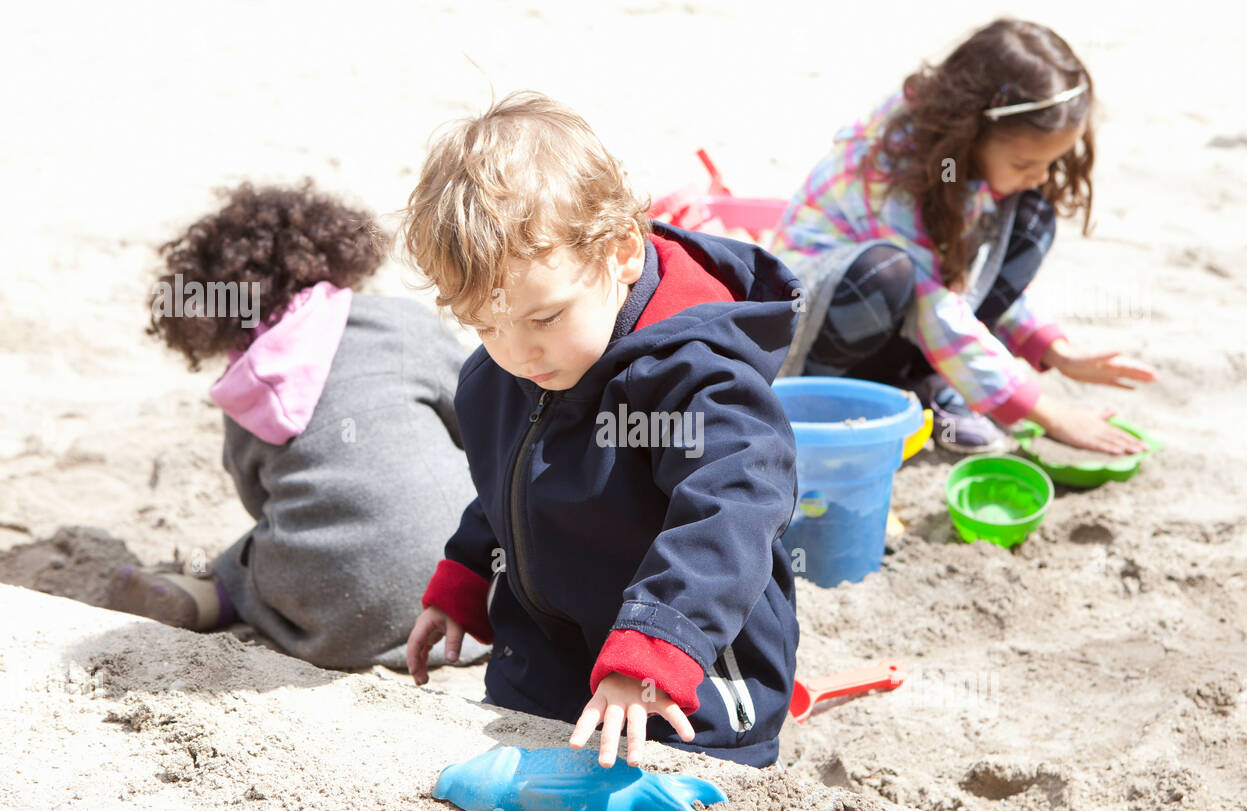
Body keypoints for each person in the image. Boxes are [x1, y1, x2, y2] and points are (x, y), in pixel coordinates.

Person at [401, 92, 801, 768]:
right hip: (549, 662)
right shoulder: (507, 371)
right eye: (486, 325)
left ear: (621, 253)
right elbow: (517, 474)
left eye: (545, 317)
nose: (518, 352)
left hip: (686, 676)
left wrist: (655, 649)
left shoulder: (697, 378)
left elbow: (733, 509)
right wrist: (468, 571)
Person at [108, 181, 483, 670]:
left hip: (329, 625)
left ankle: (210, 594)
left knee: (262, 550)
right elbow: (476, 421)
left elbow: (258, 501)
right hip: (467, 604)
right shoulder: (400, 324)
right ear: (334, 251)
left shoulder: (243, 387)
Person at [772, 18, 1157, 454]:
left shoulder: (962, 162)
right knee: (887, 272)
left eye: (1052, 161)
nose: (1041, 176)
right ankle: (823, 405)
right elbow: (934, 306)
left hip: (907, 323)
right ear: (971, 133)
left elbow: (969, 274)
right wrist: (1051, 414)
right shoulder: (887, 164)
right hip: (816, 327)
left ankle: (931, 387)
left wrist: (1055, 351)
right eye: (1024, 163)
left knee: (1032, 217)